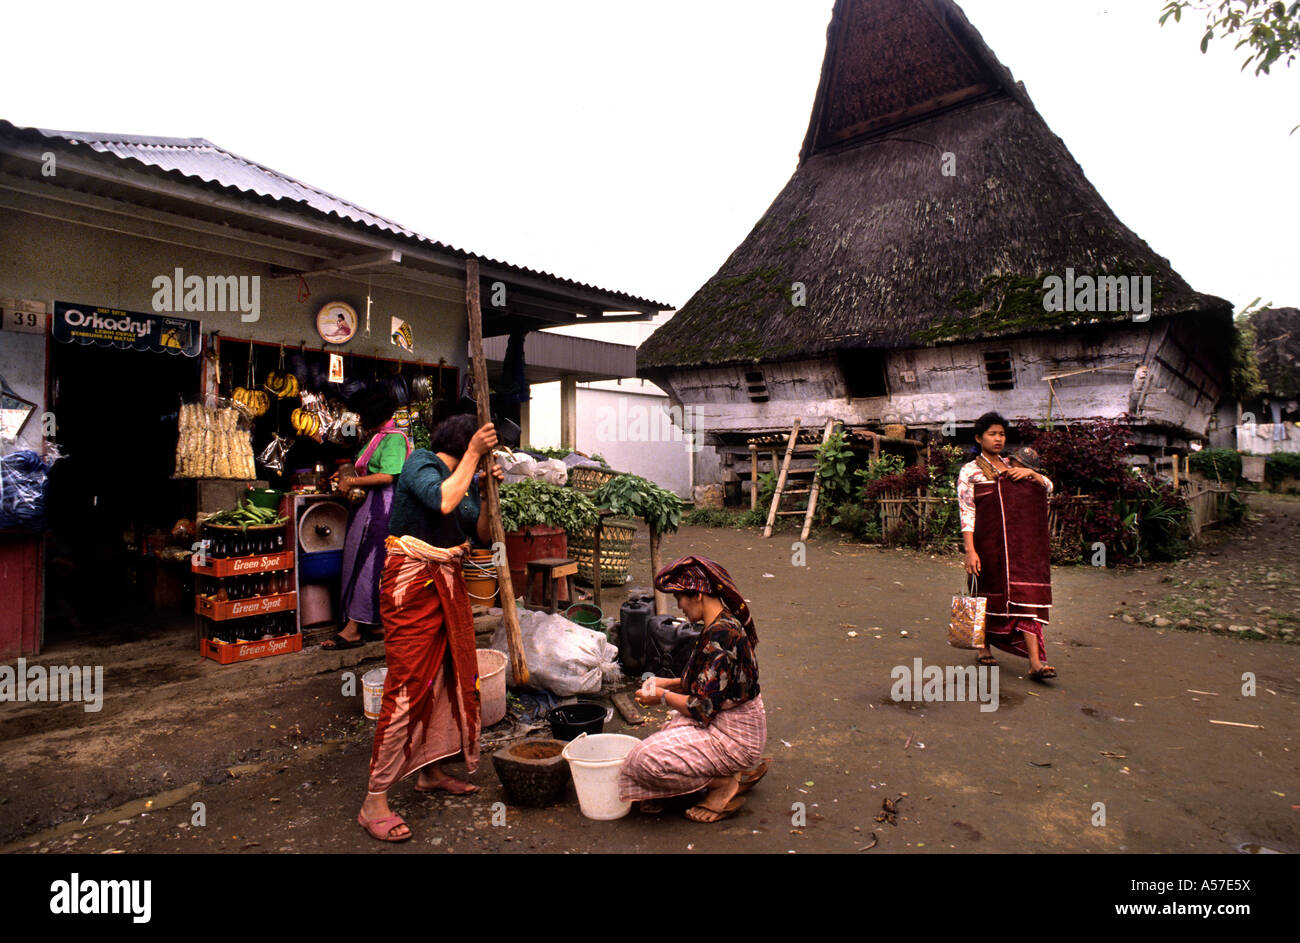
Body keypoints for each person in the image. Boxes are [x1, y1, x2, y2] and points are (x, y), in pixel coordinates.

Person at [357, 414, 502, 842]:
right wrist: (475, 456)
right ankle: (374, 800)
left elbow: (480, 532)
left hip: (447, 581)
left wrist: (488, 490)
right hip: (411, 586)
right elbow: (441, 501)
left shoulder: (462, 476)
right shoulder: (422, 461)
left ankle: (431, 771)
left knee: (448, 676)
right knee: (409, 685)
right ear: (464, 443)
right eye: (474, 446)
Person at [619, 555, 769, 823]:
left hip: (735, 737)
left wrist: (662, 696)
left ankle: (721, 783)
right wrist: (669, 682)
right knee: (664, 737)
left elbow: (703, 707)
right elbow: (711, 682)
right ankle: (725, 775)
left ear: (698, 595)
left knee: (641, 761)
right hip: (729, 723)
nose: (680, 607)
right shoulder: (720, 624)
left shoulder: (722, 636)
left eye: (681, 599)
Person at [957, 412, 1058, 680]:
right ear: (979, 438)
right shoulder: (970, 472)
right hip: (986, 545)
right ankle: (982, 646)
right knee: (983, 594)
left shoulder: (1009, 467)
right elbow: (967, 511)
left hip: (1016, 550)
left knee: (1025, 599)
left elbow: (1047, 487)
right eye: (992, 434)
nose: (999, 438)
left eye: (1002, 434)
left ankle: (1035, 663)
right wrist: (970, 550)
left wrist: (1031, 474)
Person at [323, 388, 409, 650]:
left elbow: (388, 476)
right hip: (365, 508)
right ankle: (375, 623)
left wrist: (352, 481)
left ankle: (354, 629)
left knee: (370, 565)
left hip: (381, 509)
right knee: (355, 560)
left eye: (363, 414)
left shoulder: (394, 438)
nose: (359, 418)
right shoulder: (377, 437)